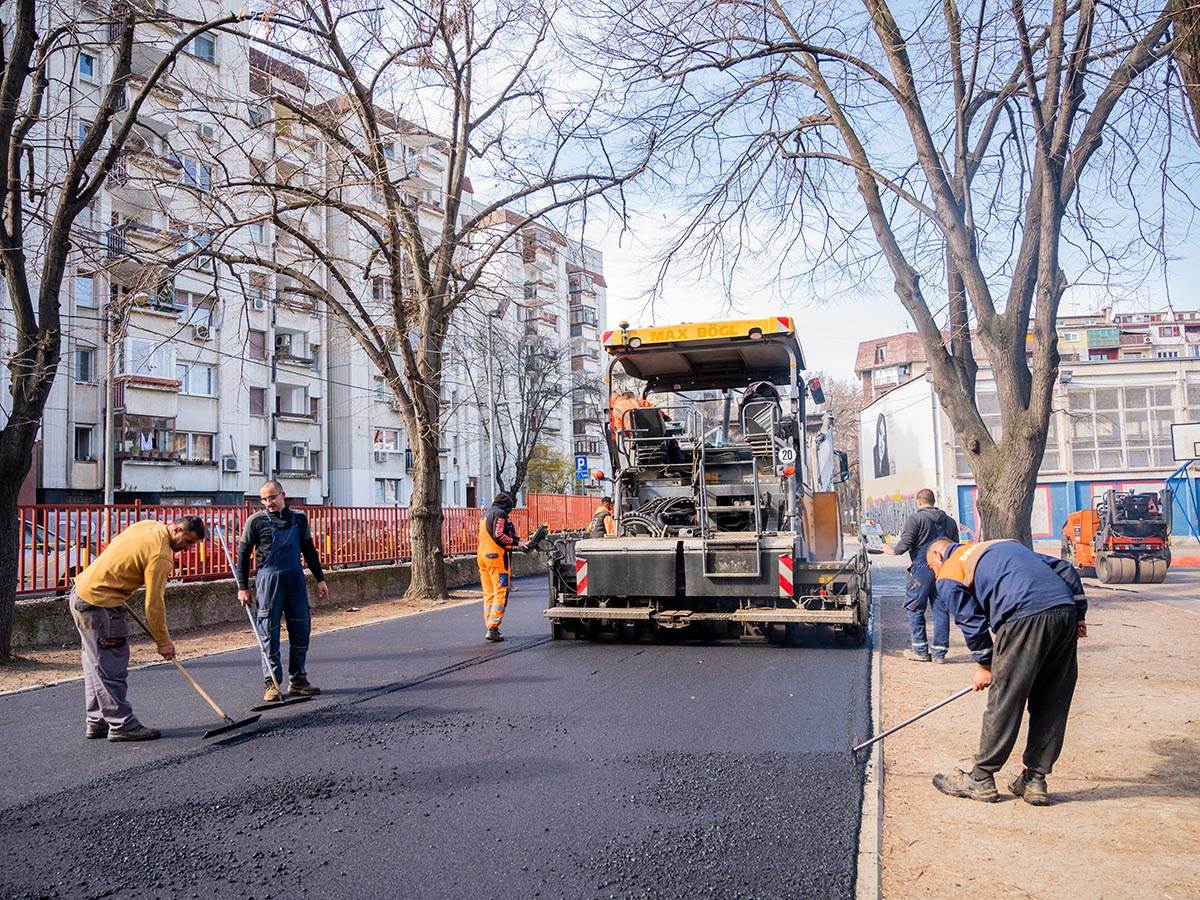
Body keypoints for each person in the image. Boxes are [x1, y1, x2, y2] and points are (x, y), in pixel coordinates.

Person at [925, 537, 1088, 806]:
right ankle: (1035, 779)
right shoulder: (1000, 546)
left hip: (1023, 615)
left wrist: (985, 665)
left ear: (938, 555)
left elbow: (971, 622)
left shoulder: (950, 571)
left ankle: (981, 779)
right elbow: (1065, 569)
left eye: (932, 568)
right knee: (1052, 699)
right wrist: (1079, 614)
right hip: (1063, 612)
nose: (935, 574)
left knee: (1005, 698)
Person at [69, 516, 205, 742]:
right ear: (177, 529)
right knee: (111, 666)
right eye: (187, 541)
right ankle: (122, 724)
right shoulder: (161, 556)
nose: (187, 548)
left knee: (96, 665)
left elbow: (117, 549)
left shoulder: (147, 525)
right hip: (101, 604)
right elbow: (153, 604)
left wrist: (116, 581)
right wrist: (163, 641)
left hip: (83, 593)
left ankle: (98, 720)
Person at [236, 480, 329, 702]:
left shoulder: (299, 519)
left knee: (301, 628)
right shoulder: (255, 522)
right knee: (269, 632)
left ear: (282, 495)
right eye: (265, 499)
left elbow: (309, 550)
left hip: (295, 578)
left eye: (272, 497)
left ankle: (298, 681)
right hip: (268, 580)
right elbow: (243, 554)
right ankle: (272, 684)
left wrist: (320, 579)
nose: (269, 503)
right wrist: (242, 587)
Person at [881, 489, 959, 663]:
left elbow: (905, 544)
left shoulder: (915, 520)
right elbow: (955, 547)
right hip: (943, 570)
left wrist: (891, 550)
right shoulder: (950, 522)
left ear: (919, 502)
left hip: (921, 570)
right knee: (941, 609)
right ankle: (939, 653)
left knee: (915, 607)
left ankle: (920, 650)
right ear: (933, 501)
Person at [477, 491, 528, 642]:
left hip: (482, 557)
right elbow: (499, 534)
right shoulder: (500, 514)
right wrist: (516, 543)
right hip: (496, 558)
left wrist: (517, 539)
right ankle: (493, 627)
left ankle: (489, 625)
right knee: (500, 591)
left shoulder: (486, 514)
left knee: (489, 593)